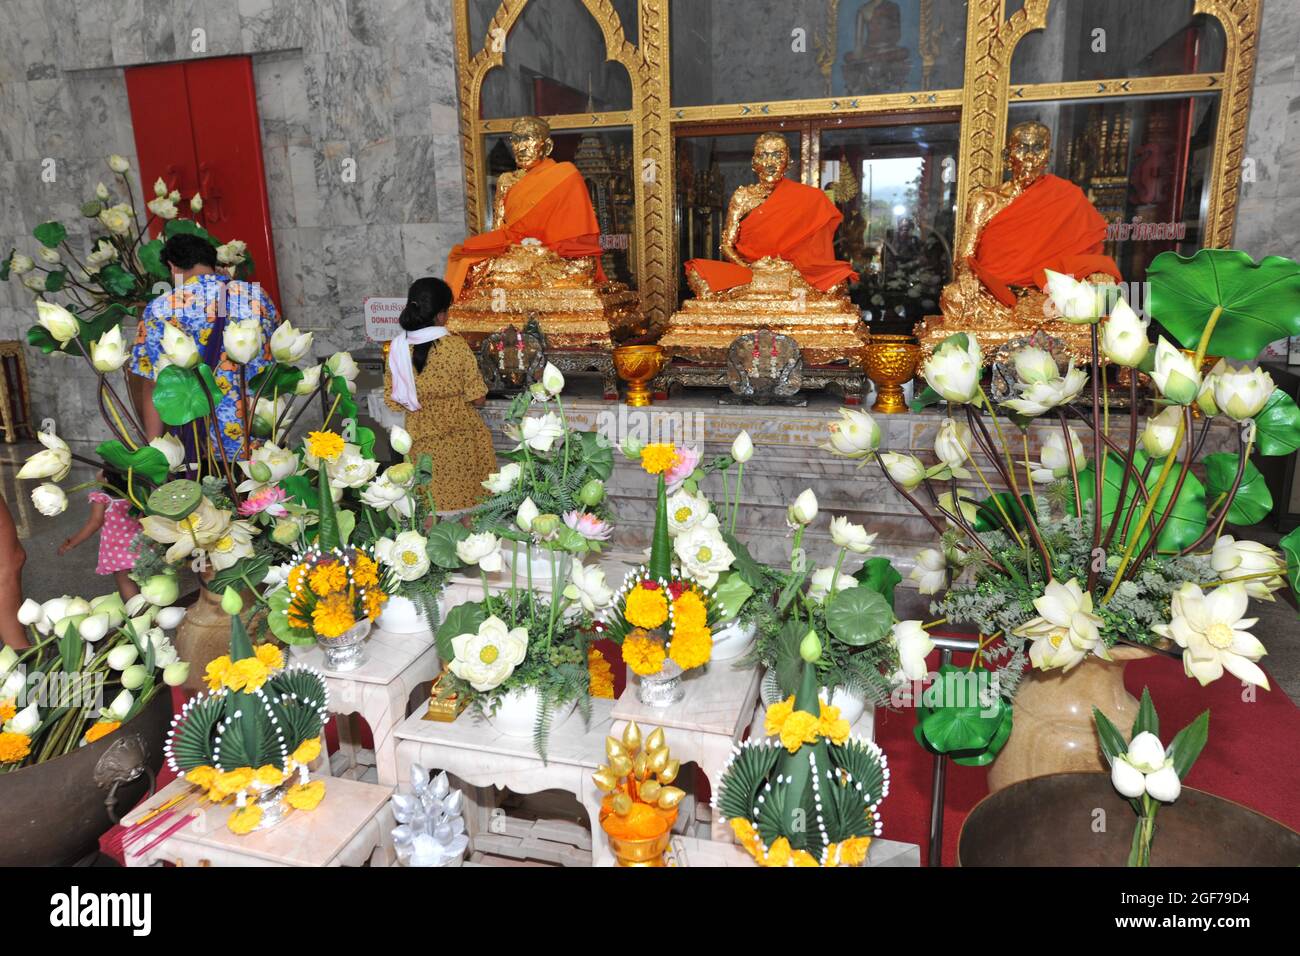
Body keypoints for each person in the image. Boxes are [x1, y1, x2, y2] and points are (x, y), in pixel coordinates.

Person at [128, 233, 281, 462]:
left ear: (172, 267)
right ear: (213, 262)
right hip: (259, 434)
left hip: (201, 444)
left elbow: (153, 382)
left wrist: (155, 451)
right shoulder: (256, 295)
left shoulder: (161, 308)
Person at [444, 115, 605, 300]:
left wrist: (541, 251)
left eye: (528, 138)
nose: (521, 147)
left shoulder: (566, 175)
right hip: (519, 254)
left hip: (557, 256)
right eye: (516, 139)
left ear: (548, 146)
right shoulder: (507, 181)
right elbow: (501, 231)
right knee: (473, 266)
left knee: (583, 268)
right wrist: (523, 251)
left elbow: (578, 242)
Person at [383, 277, 496, 513]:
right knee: (468, 508)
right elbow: (478, 398)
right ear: (442, 315)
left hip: (420, 436)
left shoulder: (397, 349)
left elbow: (393, 402)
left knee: (429, 505)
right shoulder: (455, 346)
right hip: (461, 436)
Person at [57, 469, 140, 600]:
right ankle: (150, 604)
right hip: (140, 543)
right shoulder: (137, 495)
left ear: (106, 480)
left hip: (118, 548)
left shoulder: (102, 499)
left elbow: (94, 524)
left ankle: (138, 612)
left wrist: (72, 543)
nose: (99, 471)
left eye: (102, 470)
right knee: (144, 577)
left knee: (124, 579)